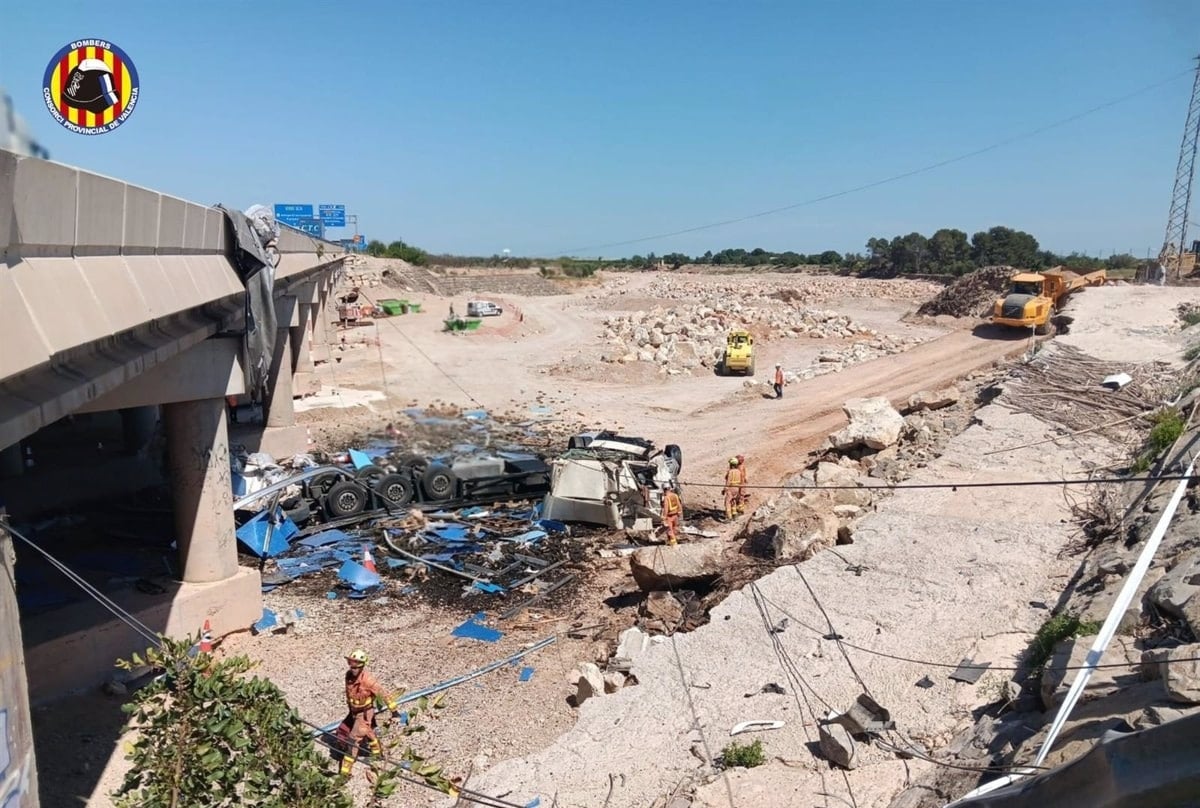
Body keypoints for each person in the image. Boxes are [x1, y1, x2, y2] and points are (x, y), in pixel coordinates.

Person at [334, 649, 401, 779]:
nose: (352, 668)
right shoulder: (348, 677)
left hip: (364, 713)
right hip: (354, 711)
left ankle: (345, 773)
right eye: (350, 664)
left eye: (356, 665)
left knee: (353, 739)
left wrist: (395, 712)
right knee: (366, 731)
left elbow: (384, 694)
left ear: (362, 666)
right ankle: (377, 753)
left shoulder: (368, 681)